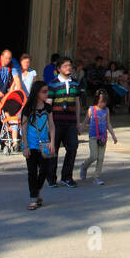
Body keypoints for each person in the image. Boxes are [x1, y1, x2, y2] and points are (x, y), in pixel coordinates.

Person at [46, 57, 83, 187]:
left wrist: (78, 122)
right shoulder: (53, 84)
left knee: (72, 148)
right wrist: (49, 123)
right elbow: (49, 104)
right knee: (53, 150)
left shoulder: (75, 84)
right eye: (66, 65)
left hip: (71, 122)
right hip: (56, 122)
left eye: (70, 65)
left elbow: (77, 103)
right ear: (59, 68)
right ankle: (51, 177)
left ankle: (67, 177)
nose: (69, 68)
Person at [21, 80, 55, 210]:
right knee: (32, 172)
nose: (47, 94)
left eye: (47, 91)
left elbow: (51, 125)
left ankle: (37, 190)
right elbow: (23, 128)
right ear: (37, 93)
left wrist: (52, 142)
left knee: (45, 170)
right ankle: (34, 198)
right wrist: (25, 146)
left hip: (44, 145)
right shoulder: (28, 108)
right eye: (44, 91)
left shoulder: (47, 108)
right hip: (31, 145)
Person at [79, 89, 118, 185]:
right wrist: (81, 129)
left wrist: (113, 135)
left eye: (104, 102)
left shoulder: (106, 110)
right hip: (93, 136)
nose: (103, 104)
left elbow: (108, 123)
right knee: (93, 156)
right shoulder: (91, 109)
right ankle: (84, 166)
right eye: (101, 101)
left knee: (100, 157)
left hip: (103, 137)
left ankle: (97, 177)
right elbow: (85, 121)